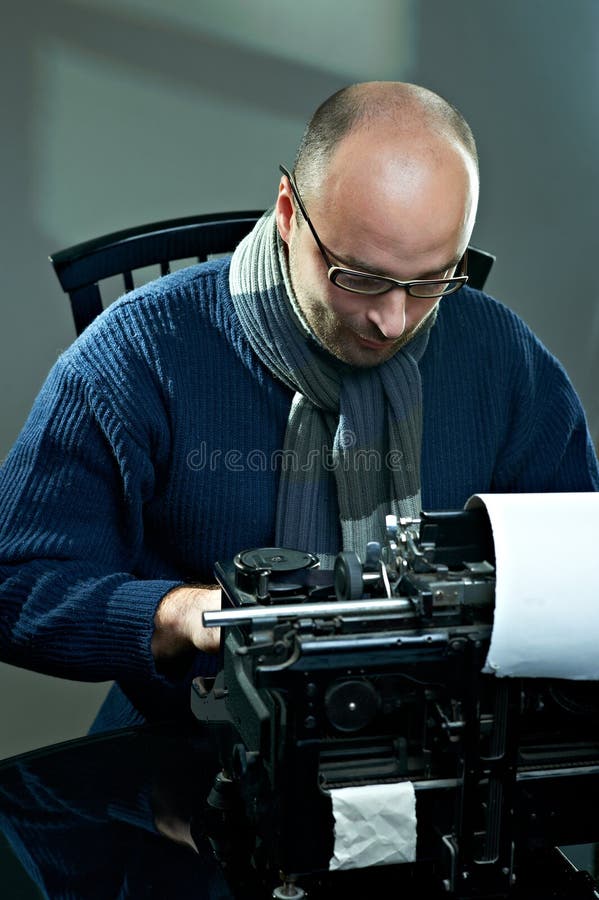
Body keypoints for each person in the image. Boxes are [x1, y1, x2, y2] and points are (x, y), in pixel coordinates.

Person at [0, 81, 597, 732]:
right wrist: (178, 614)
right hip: (190, 748)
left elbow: (576, 575)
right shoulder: (135, 356)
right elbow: (15, 584)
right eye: (360, 277)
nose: (392, 322)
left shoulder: (503, 359)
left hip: (438, 743)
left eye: (430, 281)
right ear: (289, 213)